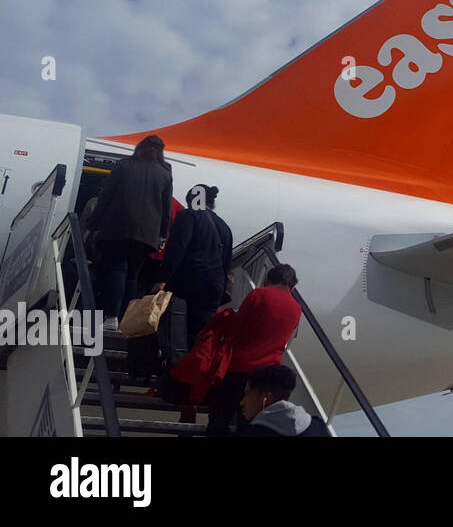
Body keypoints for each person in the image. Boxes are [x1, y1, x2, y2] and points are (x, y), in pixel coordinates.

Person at [205, 264, 303, 436]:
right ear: (292, 286)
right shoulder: (296, 308)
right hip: (269, 373)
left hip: (240, 367)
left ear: (267, 279)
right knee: (252, 425)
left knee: (219, 419)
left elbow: (237, 326)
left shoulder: (259, 294)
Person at [85, 135, 173, 327]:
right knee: (133, 275)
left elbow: (105, 199)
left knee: (117, 269)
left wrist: (92, 226)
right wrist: (162, 235)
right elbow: (166, 209)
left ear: (139, 147)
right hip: (146, 235)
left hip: (118, 228)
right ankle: (125, 318)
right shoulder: (165, 173)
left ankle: (111, 316)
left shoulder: (123, 165)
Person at [151, 184, 233, 345]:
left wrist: (162, 279)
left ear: (191, 200)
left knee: (175, 330)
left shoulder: (187, 216)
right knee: (200, 335)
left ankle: (173, 366)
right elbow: (227, 263)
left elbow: (176, 249)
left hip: (190, 282)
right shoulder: (224, 227)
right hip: (215, 288)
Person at [238, 365, 329, 437]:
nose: (242, 402)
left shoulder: (252, 434)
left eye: (247, 395)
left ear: (266, 398)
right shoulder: (318, 425)